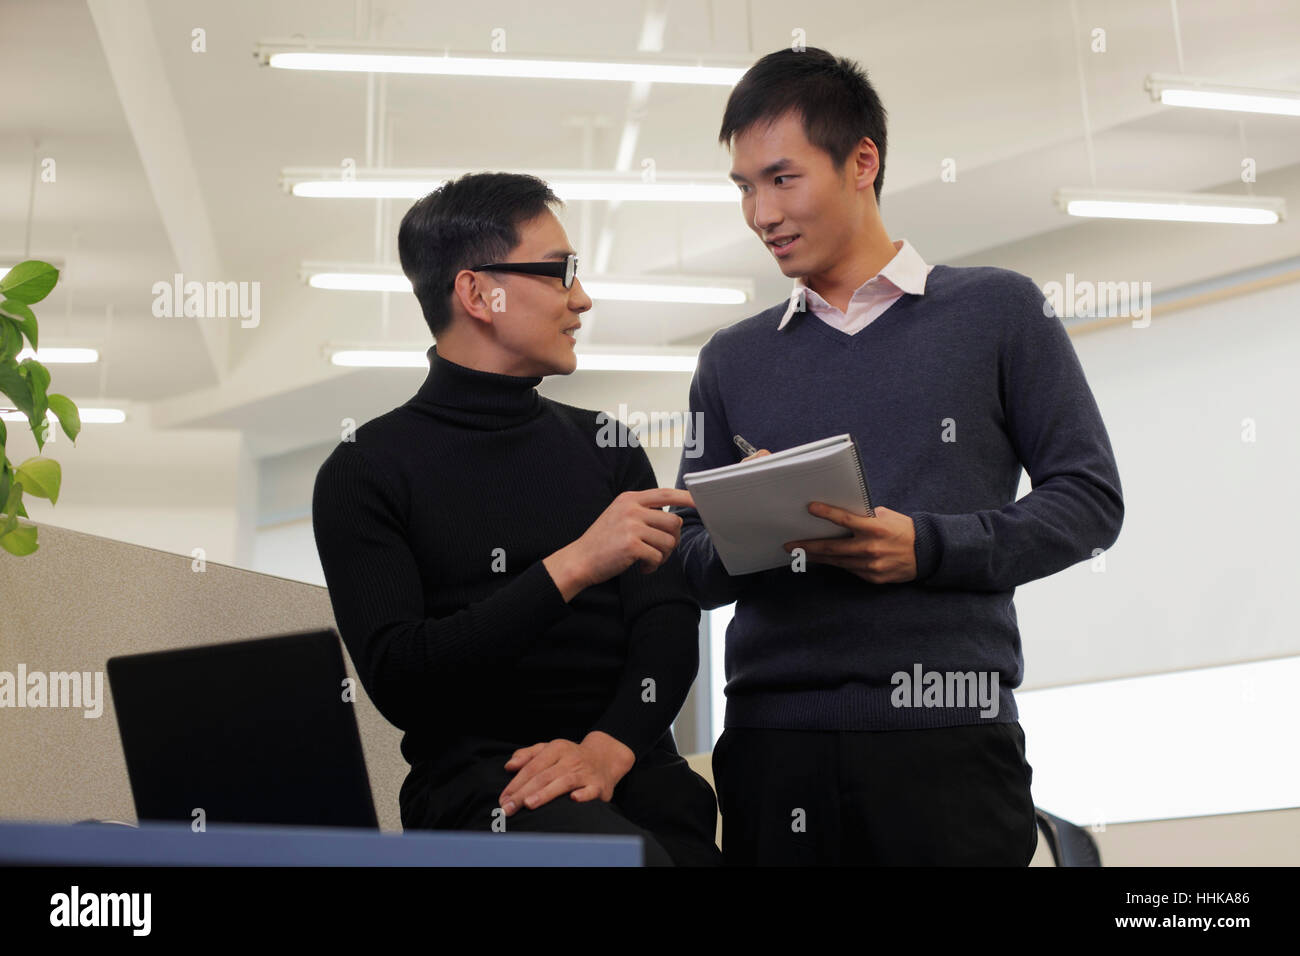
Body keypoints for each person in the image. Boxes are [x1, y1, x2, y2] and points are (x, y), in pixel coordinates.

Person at [671, 48, 1125, 865]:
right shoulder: (730, 360)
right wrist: (754, 522)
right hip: (776, 751)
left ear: (862, 163)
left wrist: (928, 548)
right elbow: (691, 565)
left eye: (781, 178)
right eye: (743, 187)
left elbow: (1089, 503)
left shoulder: (998, 312)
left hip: (947, 739)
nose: (759, 213)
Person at [312, 171, 721, 866]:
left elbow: (667, 624)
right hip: (491, 793)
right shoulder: (365, 471)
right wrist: (573, 566)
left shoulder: (608, 449)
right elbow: (403, 679)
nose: (582, 300)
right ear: (478, 293)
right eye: (561, 273)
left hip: (631, 771)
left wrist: (605, 750)